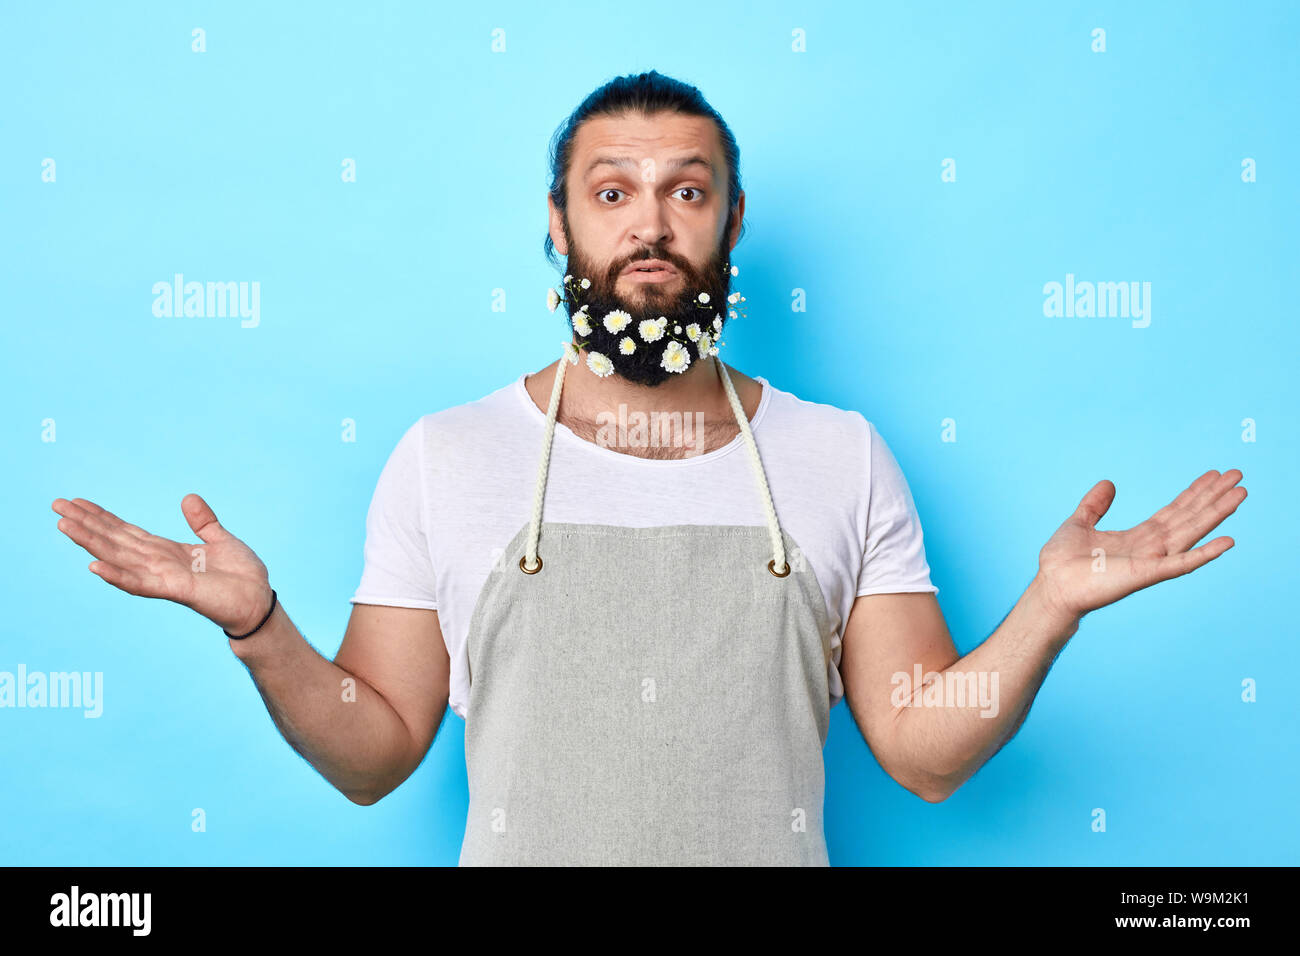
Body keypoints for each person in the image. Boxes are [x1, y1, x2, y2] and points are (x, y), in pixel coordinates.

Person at [50, 70, 1247, 866]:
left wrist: (1047, 608)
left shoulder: (839, 455)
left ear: (729, 222)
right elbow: (373, 755)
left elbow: (924, 754)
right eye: (611, 192)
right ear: (558, 225)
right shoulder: (446, 455)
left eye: (687, 191)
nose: (650, 225)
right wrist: (259, 626)